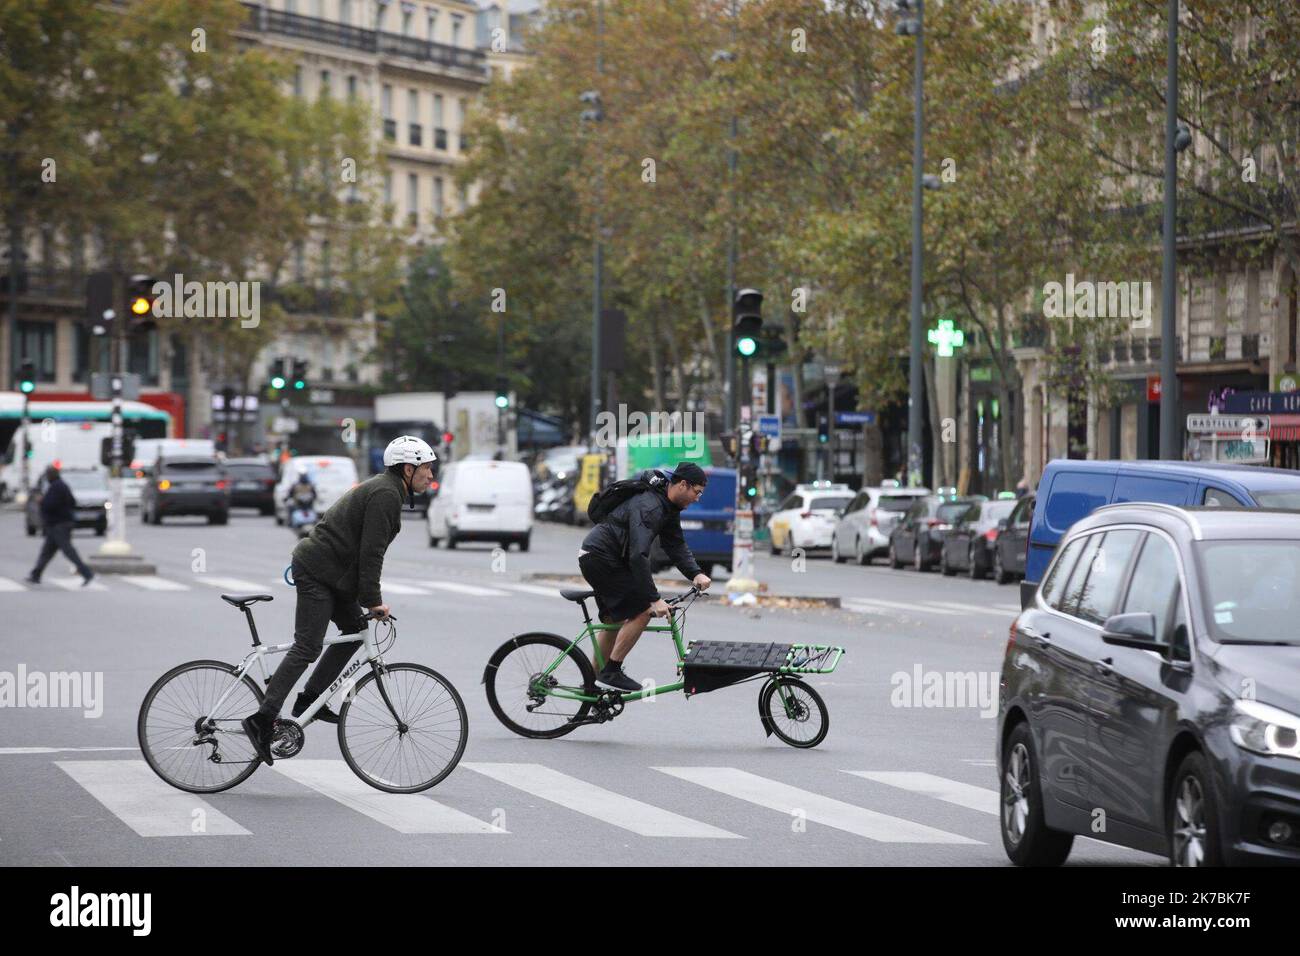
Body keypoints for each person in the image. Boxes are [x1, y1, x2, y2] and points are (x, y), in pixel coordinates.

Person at [241, 435, 437, 765]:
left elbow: (365, 552)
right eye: (427, 469)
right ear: (408, 468)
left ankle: (310, 699)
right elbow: (371, 552)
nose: (431, 476)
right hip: (318, 571)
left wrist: (366, 601)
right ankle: (262, 720)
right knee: (307, 646)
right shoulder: (385, 494)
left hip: (335, 576)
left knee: (352, 632)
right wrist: (373, 599)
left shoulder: (388, 489)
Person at [577, 461, 712, 692]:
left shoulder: (667, 507)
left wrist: (695, 573)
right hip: (601, 558)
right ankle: (612, 670)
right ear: (682, 485)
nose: (697, 498)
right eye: (696, 492)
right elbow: (638, 555)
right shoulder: (650, 506)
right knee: (643, 610)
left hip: (602, 558)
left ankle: (590, 685)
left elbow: (675, 545)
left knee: (614, 621)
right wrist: (654, 598)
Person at [26, 465, 94, 587]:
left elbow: (50, 505)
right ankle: (35, 574)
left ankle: (87, 573)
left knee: (68, 552)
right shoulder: (61, 485)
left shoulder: (56, 487)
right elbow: (72, 502)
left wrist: (41, 501)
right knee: (46, 552)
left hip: (59, 525)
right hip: (57, 525)